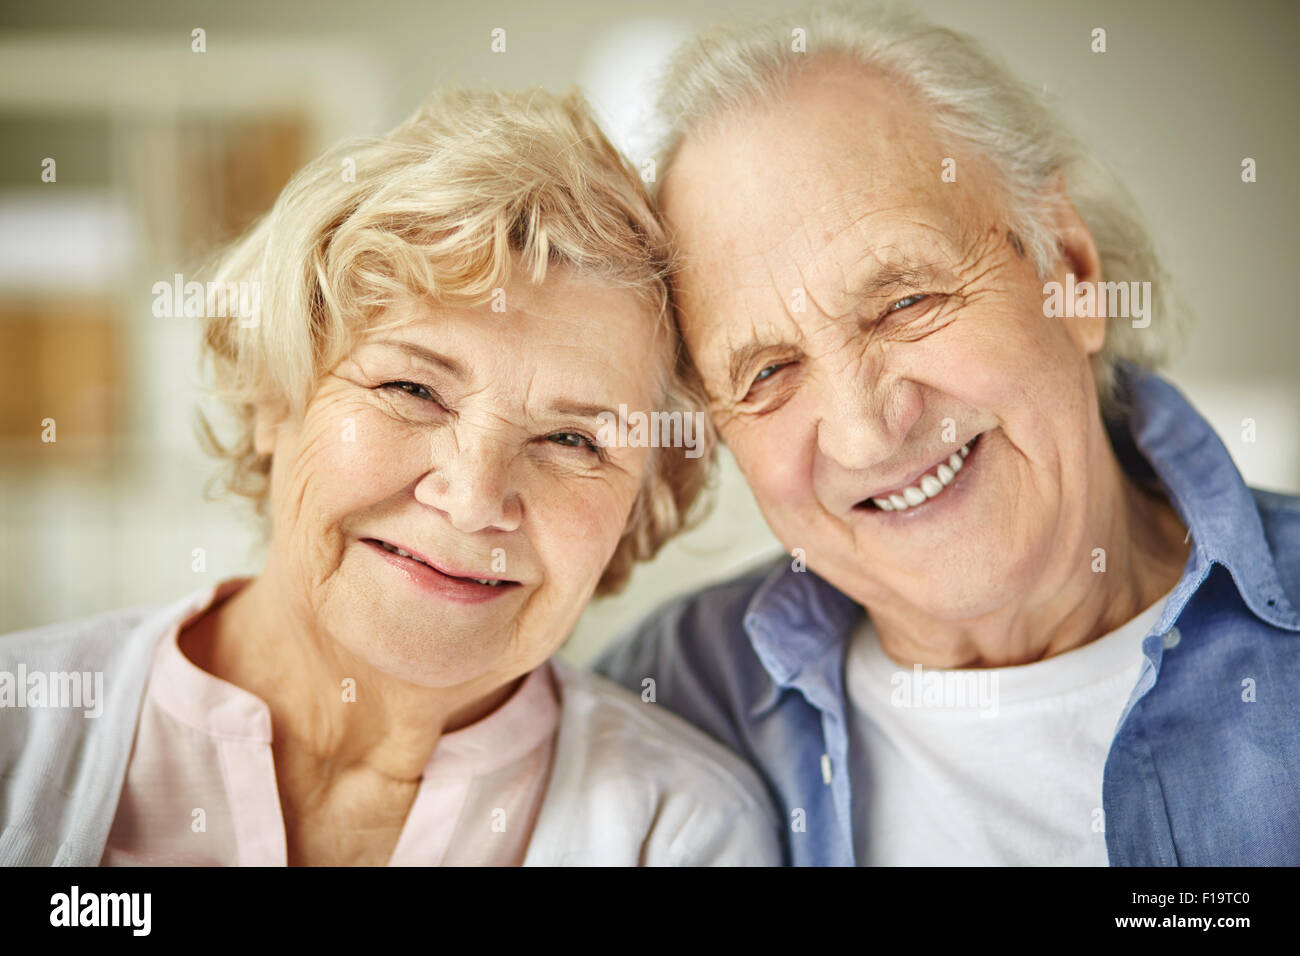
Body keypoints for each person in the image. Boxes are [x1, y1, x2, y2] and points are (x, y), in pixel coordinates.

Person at [596, 1, 1300, 865]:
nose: (864, 432)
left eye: (905, 301)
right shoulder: (665, 701)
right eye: (767, 374)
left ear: (1070, 271)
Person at [0, 87, 780, 867]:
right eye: (412, 390)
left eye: (574, 439)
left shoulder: (680, 829)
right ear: (279, 397)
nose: (474, 500)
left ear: (640, 507)